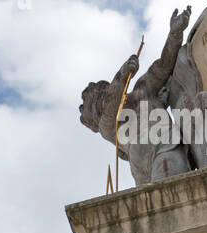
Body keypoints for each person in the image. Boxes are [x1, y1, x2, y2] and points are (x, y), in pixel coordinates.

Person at [80, 7, 193, 184]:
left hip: (165, 149)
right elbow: (111, 107)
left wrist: (174, 34)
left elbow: (163, 66)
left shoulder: (142, 89)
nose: (102, 103)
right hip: (142, 172)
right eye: (96, 107)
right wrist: (122, 75)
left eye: (102, 94)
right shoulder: (108, 126)